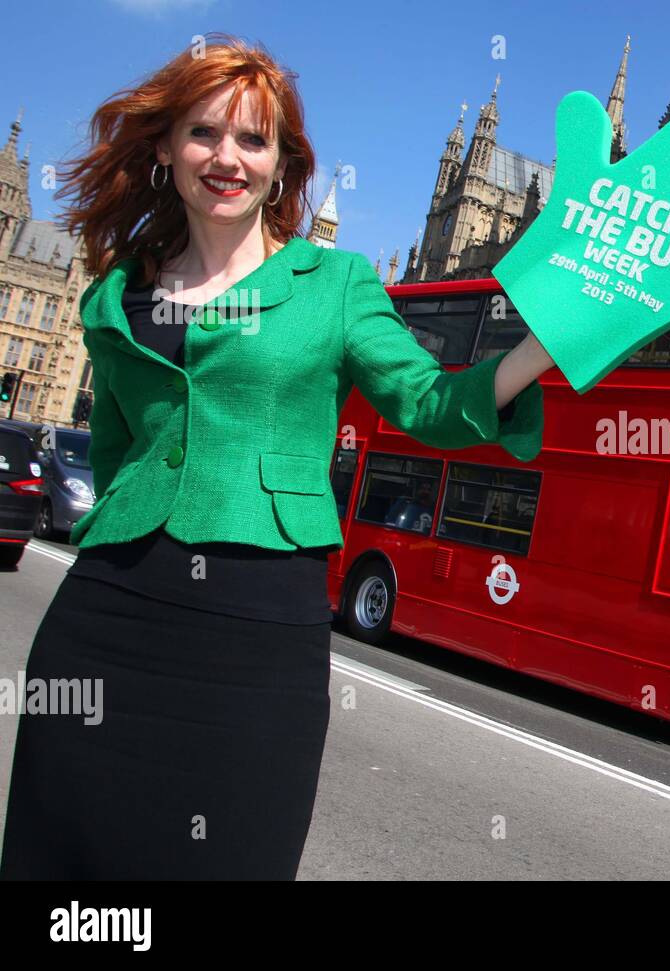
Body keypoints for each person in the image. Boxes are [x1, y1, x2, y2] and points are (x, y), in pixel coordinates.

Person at [0, 34, 556, 880]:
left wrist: (550, 342)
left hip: (259, 638)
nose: (227, 157)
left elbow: (431, 405)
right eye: (203, 133)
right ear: (166, 149)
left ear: (282, 163)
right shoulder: (114, 295)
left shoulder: (333, 285)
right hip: (104, 624)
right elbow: (116, 461)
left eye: (252, 139)